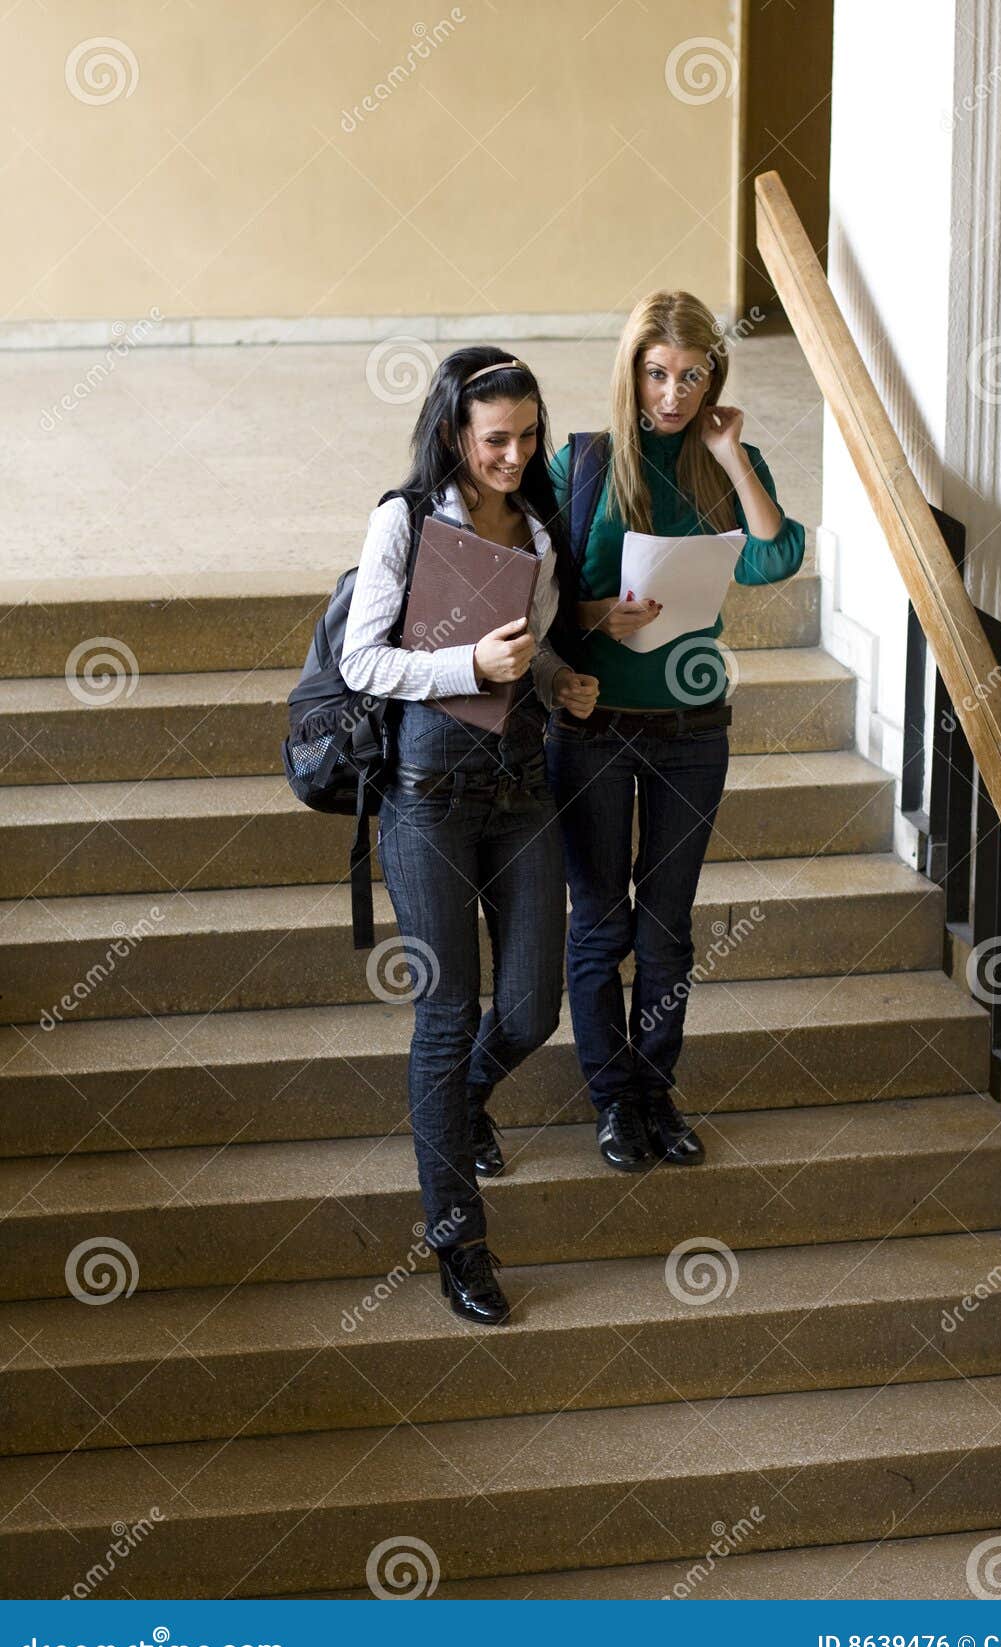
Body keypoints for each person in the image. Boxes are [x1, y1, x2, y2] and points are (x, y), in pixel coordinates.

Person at [339, 347, 597, 1325]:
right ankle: (459, 1238)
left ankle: (464, 1102)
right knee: (446, 1019)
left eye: (529, 437)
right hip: (426, 795)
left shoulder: (535, 523)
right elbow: (365, 660)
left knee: (531, 1006)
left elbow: (518, 654)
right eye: (497, 439)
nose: (516, 455)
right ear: (455, 433)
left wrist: (552, 677)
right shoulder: (404, 520)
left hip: (520, 782)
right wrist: (463, 664)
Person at [546, 289, 806, 1174]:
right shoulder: (581, 464)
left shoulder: (724, 456)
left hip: (692, 731)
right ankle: (612, 1103)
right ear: (632, 372)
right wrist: (596, 616)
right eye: (657, 374)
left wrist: (731, 458)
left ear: (712, 376)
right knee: (601, 927)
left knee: (667, 928)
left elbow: (775, 557)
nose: (673, 394)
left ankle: (656, 1093)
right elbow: (536, 603)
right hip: (593, 729)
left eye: (691, 376)